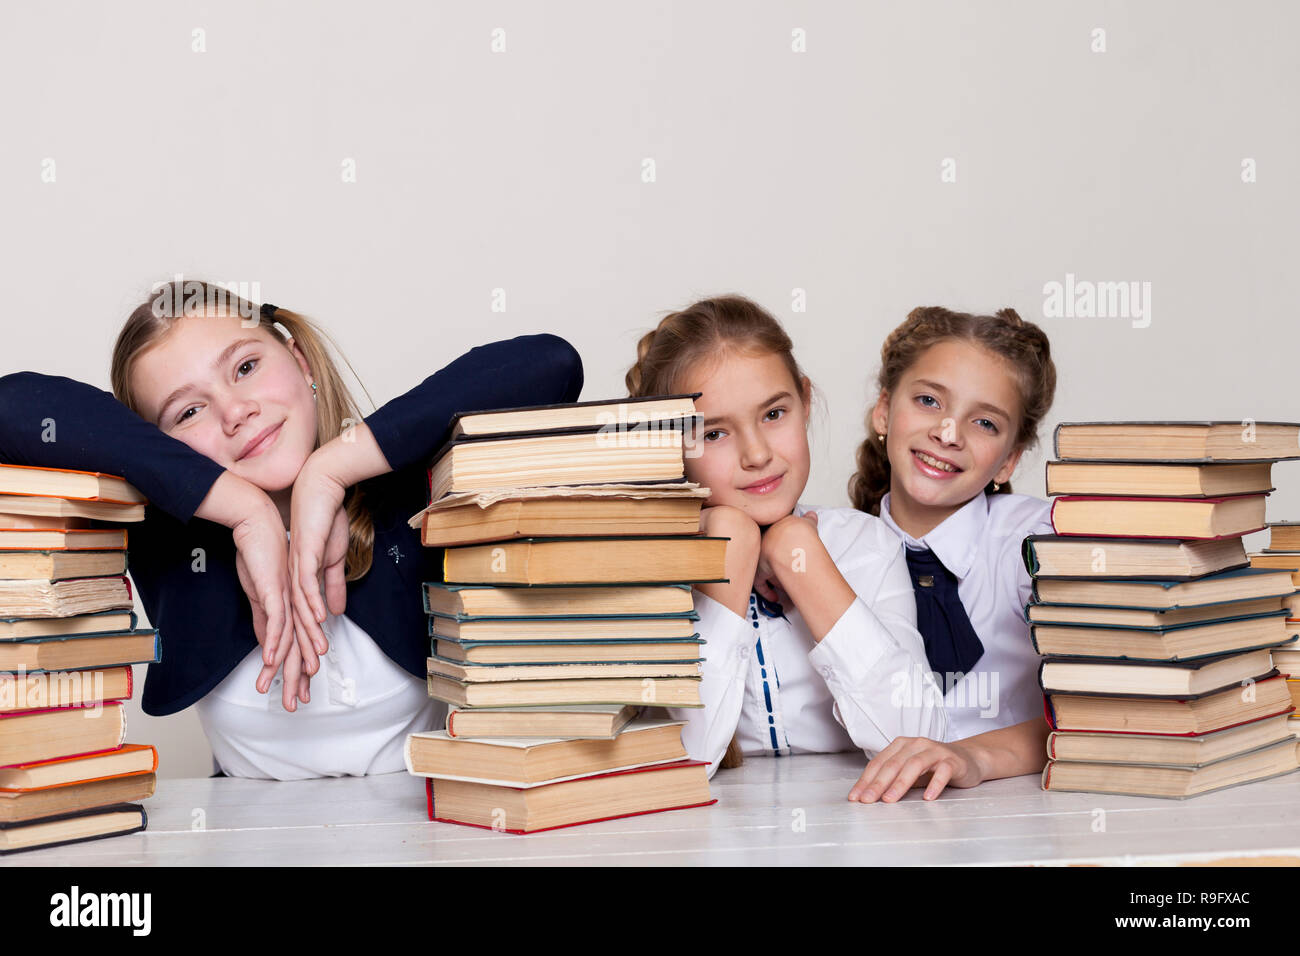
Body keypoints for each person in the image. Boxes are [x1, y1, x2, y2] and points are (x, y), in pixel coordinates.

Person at [0, 279, 583, 779]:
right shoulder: (168, 537)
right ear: (156, 447)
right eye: (189, 411)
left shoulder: (404, 494)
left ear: (300, 361)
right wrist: (243, 511)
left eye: (246, 367)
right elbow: (13, 407)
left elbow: (553, 364)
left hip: (436, 833)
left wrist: (330, 471)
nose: (235, 411)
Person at [625, 295, 945, 780]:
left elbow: (918, 742)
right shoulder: (645, 570)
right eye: (714, 434)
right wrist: (727, 559)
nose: (757, 455)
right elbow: (688, 763)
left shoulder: (866, 544)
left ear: (805, 400)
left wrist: (801, 558)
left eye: (774, 415)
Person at [845, 305, 1058, 802]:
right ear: (884, 410)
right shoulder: (832, 547)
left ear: (1009, 458)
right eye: (927, 400)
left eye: (984, 422)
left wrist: (973, 756)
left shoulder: (1038, 543)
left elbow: (1109, 710)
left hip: (1024, 813)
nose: (948, 433)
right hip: (879, 818)